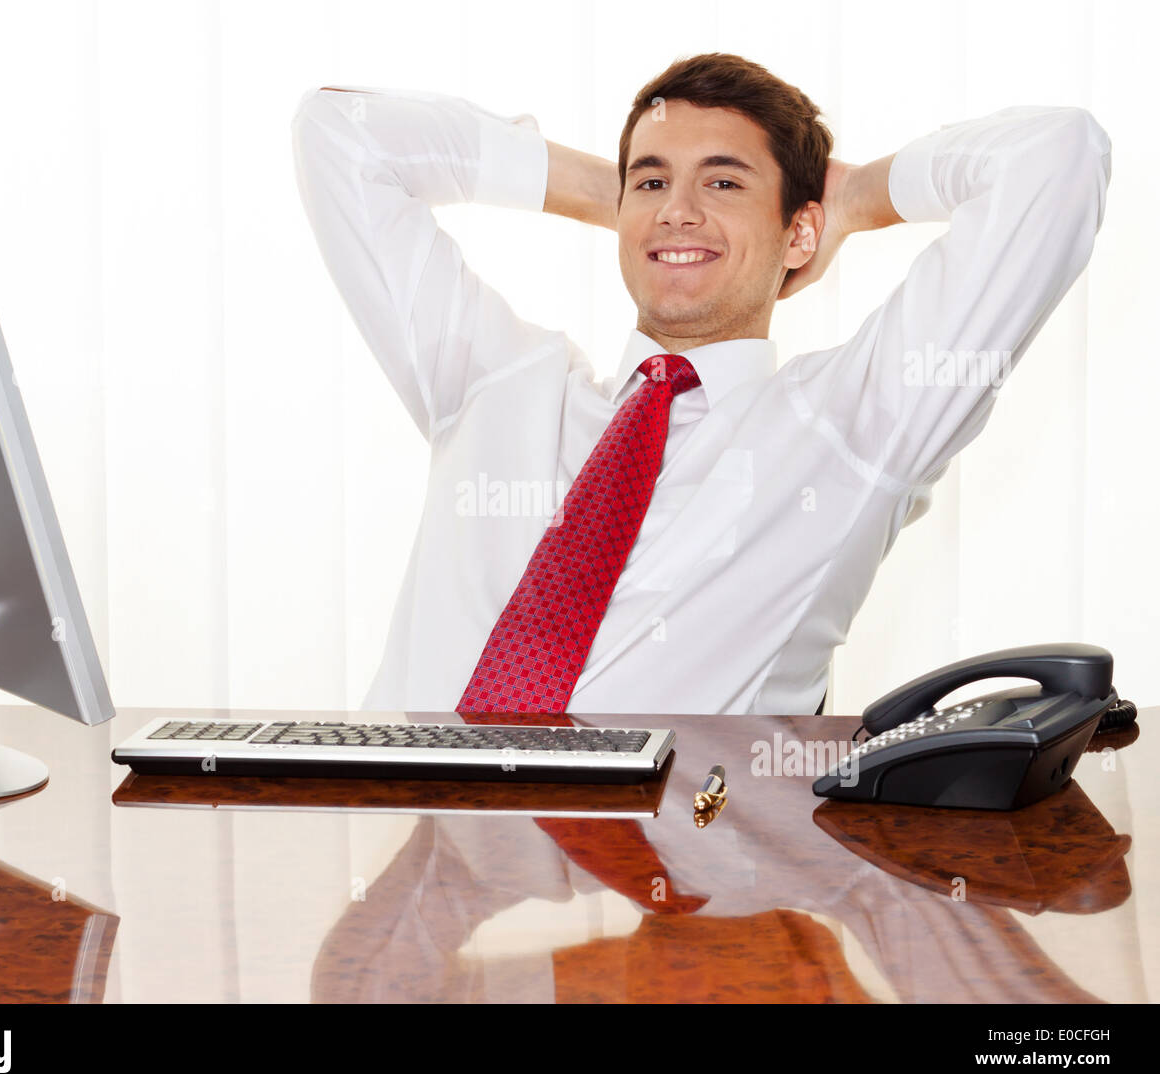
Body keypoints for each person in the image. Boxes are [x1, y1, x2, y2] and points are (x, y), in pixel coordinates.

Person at [291, 52, 1111, 717]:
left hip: (653, 898)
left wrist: (854, 198)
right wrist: (611, 194)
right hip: (395, 849)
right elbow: (341, 136)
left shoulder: (853, 425)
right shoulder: (494, 380)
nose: (677, 209)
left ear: (799, 232)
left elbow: (1058, 156)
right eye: (652, 180)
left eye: (723, 182)